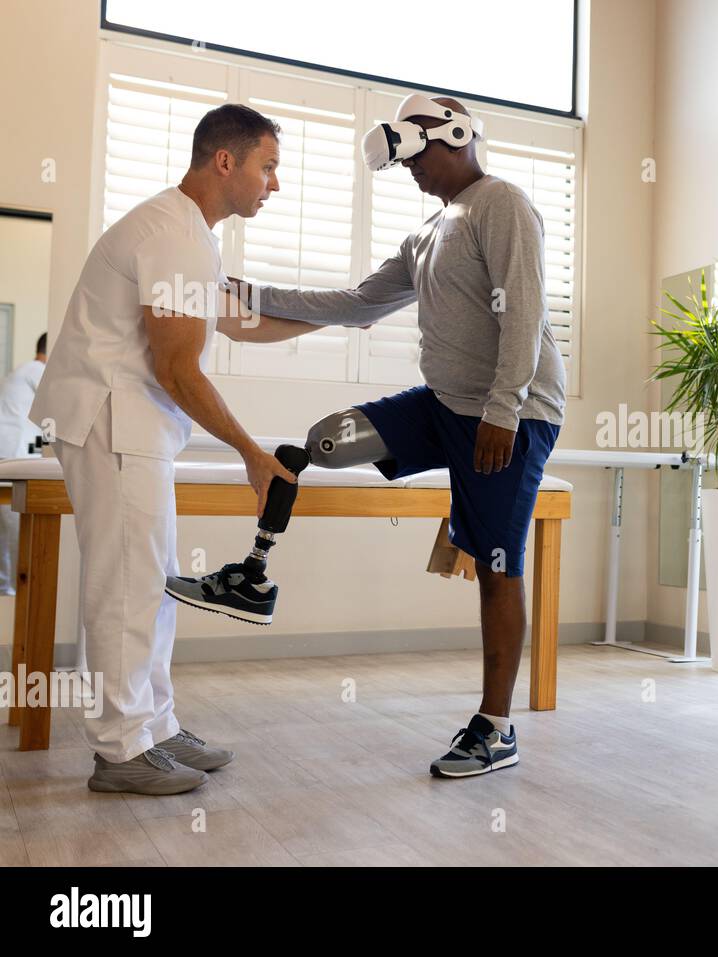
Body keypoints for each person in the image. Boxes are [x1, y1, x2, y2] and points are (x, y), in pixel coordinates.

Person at [166, 95, 565, 778]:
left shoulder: (502, 204)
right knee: (324, 440)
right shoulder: (429, 233)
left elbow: (524, 310)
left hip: (514, 413)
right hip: (443, 404)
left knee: (497, 564)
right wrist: (248, 290)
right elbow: (354, 305)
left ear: (457, 136)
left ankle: (496, 727)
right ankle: (252, 575)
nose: (409, 171)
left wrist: (503, 410)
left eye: (414, 156)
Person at [29, 104, 331, 795]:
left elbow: (238, 320)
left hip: (131, 426)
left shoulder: (186, 232)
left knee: (153, 586)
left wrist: (344, 310)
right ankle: (120, 748)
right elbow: (177, 368)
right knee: (127, 589)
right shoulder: (173, 235)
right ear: (224, 162)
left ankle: (156, 726)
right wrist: (253, 455)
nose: (274, 184)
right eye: (269, 166)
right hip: (114, 420)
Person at [0, 333, 47, 593]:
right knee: (14, 528)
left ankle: (8, 587)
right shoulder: (37, 370)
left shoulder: (20, 372)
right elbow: (59, 403)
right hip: (11, 456)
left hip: (10, 453)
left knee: (8, 528)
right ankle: (13, 591)